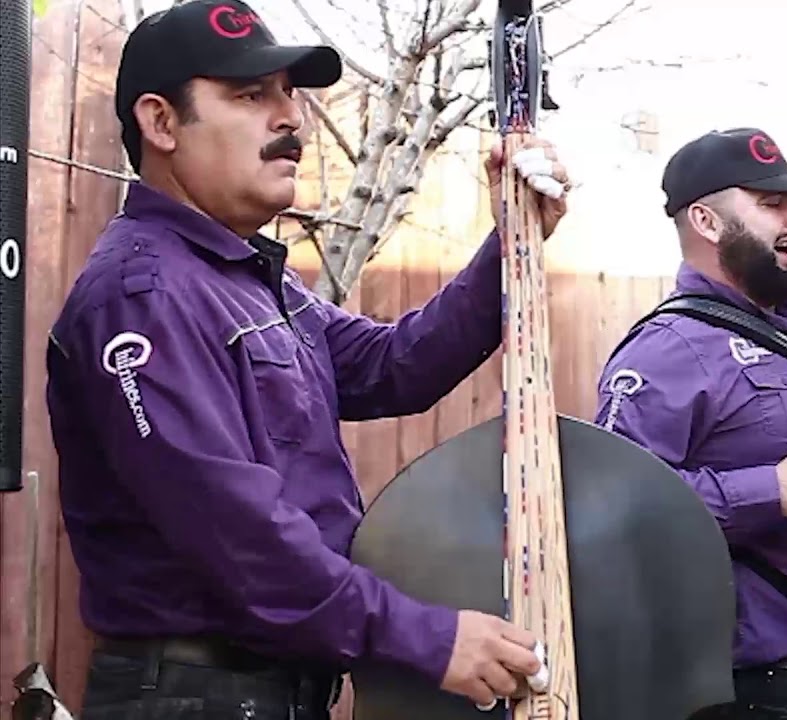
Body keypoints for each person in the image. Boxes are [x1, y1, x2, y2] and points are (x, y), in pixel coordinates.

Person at [45, 1, 572, 717]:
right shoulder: (142, 299)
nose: (290, 116)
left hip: (274, 693)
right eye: (248, 94)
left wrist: (513, 240)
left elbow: (397, 365)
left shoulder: (248, 283)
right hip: (194, 699)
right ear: (161, 123)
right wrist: (427, 637)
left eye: (289, 92)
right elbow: (237, 535)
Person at [593, 127, 787, 718]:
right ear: (706, 222)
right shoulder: (668, 349)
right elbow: (610, 513)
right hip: (768, 691)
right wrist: (773, 492)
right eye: (771, 203)